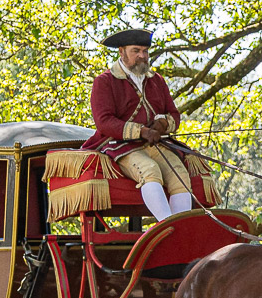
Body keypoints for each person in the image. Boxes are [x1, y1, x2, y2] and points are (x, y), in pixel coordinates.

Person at [82, 27, 194, 220]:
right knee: (149, 170)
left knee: (180, 175)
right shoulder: (105, 81)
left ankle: (180, 230)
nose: (142, 56)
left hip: (156, 144)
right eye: (136, 51)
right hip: (120, 146)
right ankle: (167, 227)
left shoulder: (157, 80)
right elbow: (104, 122)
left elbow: (174, 115)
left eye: (145, 51)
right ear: (121, 52)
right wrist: (141, 131)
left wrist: (162, 124)